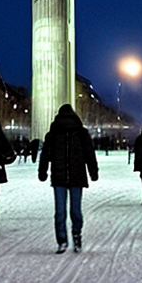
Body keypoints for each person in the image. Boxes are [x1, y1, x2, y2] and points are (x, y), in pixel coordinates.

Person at [38, 104, 99, 253]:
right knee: (75, 210)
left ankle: (62, 241)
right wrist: (93, 171)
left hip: (58, 176)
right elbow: (89, 153)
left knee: (60, 211)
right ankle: (76, 235)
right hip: (77, 175)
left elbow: (45, 154)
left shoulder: (52, 133)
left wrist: (42, 171)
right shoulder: (81, 133)